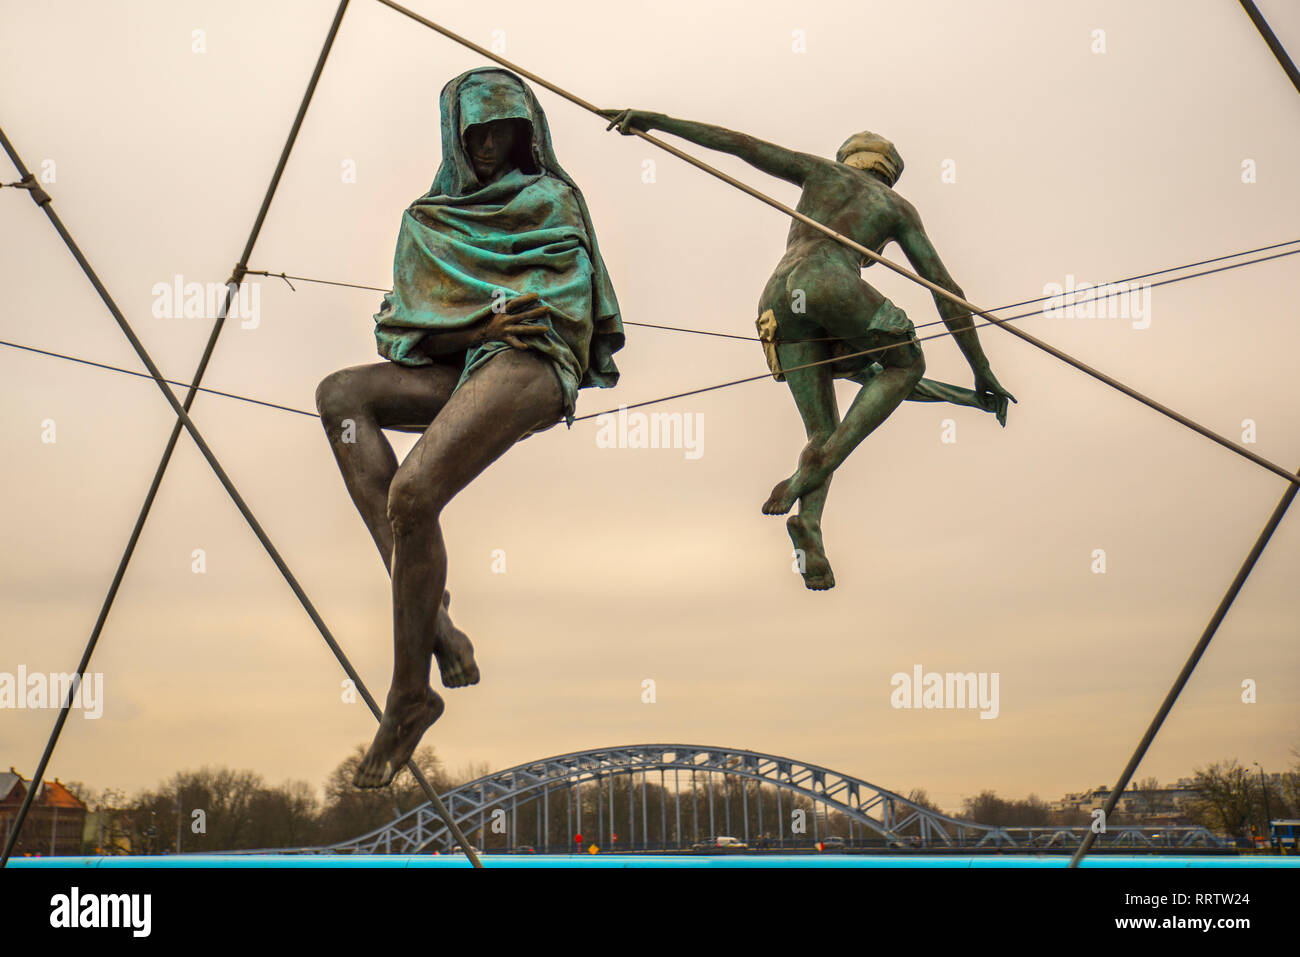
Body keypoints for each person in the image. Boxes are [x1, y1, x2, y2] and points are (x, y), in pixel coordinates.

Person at [317, 68, 623, 788]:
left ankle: (407, 695)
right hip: (467, 358)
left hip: (530, 363)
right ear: (456, 136)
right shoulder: (430, 219)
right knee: (339, 396)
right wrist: (478, 321)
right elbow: (408, 328)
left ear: (525, 131)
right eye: (475, 132)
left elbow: (567, 303)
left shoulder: (552, 198)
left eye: (502, 129)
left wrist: (505, 325)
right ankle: (439, 625)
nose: (488, 145)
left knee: (414, 491)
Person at [601, 110, 1014, 590]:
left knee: (825, 426)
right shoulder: (897, 208)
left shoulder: (821, 173)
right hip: (829, 280)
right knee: (908, 359)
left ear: (847, 159)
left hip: (777, 299)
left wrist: (657, 120)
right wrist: (983, 369)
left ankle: (811, 526)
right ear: (890, 174)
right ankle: (814, 469)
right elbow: (944, 289)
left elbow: (740, 142)